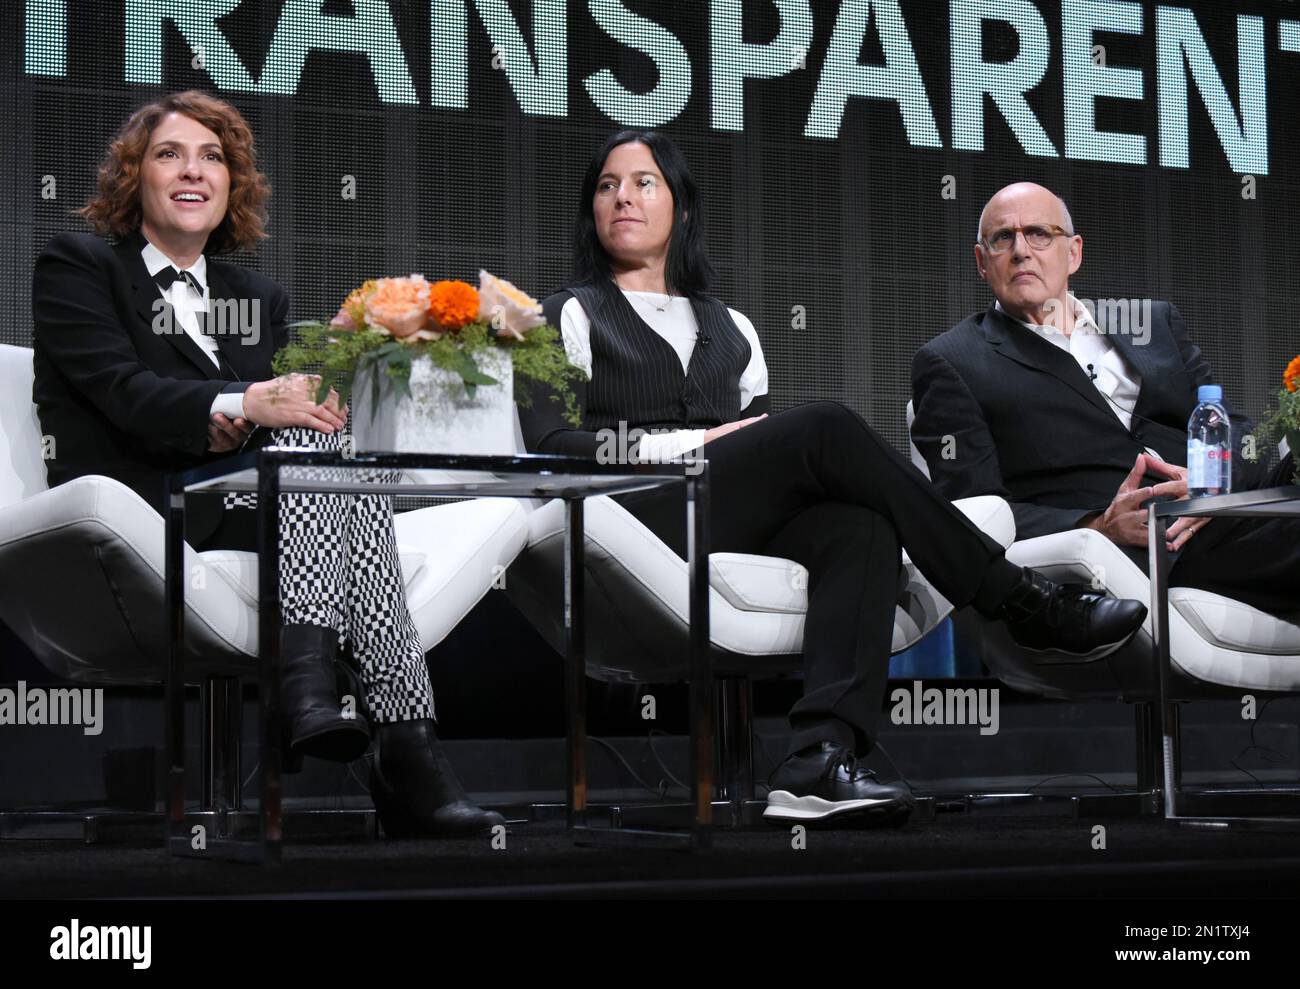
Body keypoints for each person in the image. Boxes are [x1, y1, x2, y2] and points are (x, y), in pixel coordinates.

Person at [517, 130, 1148, 828]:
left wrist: (727, 445)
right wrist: (695, 441)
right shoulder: (566, 313)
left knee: (860, 522)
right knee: (823, 426)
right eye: (608, 185)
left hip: (721, 514)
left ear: (682, 209)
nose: (623, 198)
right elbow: (555, 444)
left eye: (643, 183)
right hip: (637, 515)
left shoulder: (734, 330)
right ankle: (1018, 597)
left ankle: (818, 759)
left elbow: (762, 463)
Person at [31, 90, 502, 837]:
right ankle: (393, 738)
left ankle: (329, 698)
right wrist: (250, 401)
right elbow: (125, 392)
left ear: (232, 185)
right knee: (319, 458)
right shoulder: (81, 267)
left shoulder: (255, 296)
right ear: (134, 179)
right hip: (138, 500)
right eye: (170, 154)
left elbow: (290, 412)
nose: (194, 172)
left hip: (251, 502)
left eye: (212, 158)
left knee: (326, 454)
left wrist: (343, 346)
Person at [912, 182, 1298, 618]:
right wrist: (1099, 526)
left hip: (1227, 503)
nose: (1021, 250)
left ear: (1073, 252)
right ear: (982, 262)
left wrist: (1214, 482)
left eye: (1039, 233)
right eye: (1003, 238)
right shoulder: (953, 361)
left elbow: (1233, 428)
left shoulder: (1153, 322)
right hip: (1149, 545)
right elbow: (974, 512)